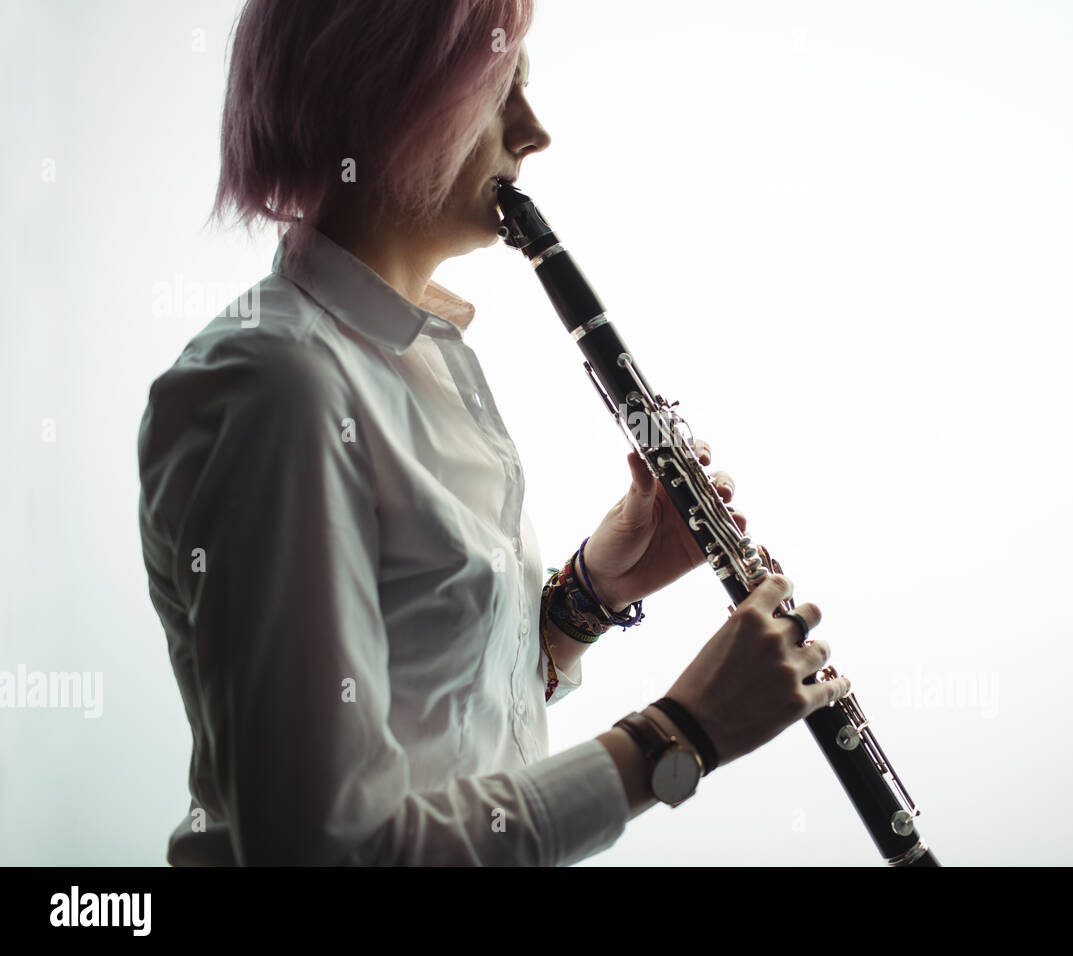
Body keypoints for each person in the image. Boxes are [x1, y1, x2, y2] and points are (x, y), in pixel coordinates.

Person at [136, 0, 850, 866]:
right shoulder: (275, 387)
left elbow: (441, 724)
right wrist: (682, 732)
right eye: (500, 90)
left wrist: (592, 592)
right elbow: (323, 851)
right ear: (389, 93)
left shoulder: (413, 363)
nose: (534, 131)